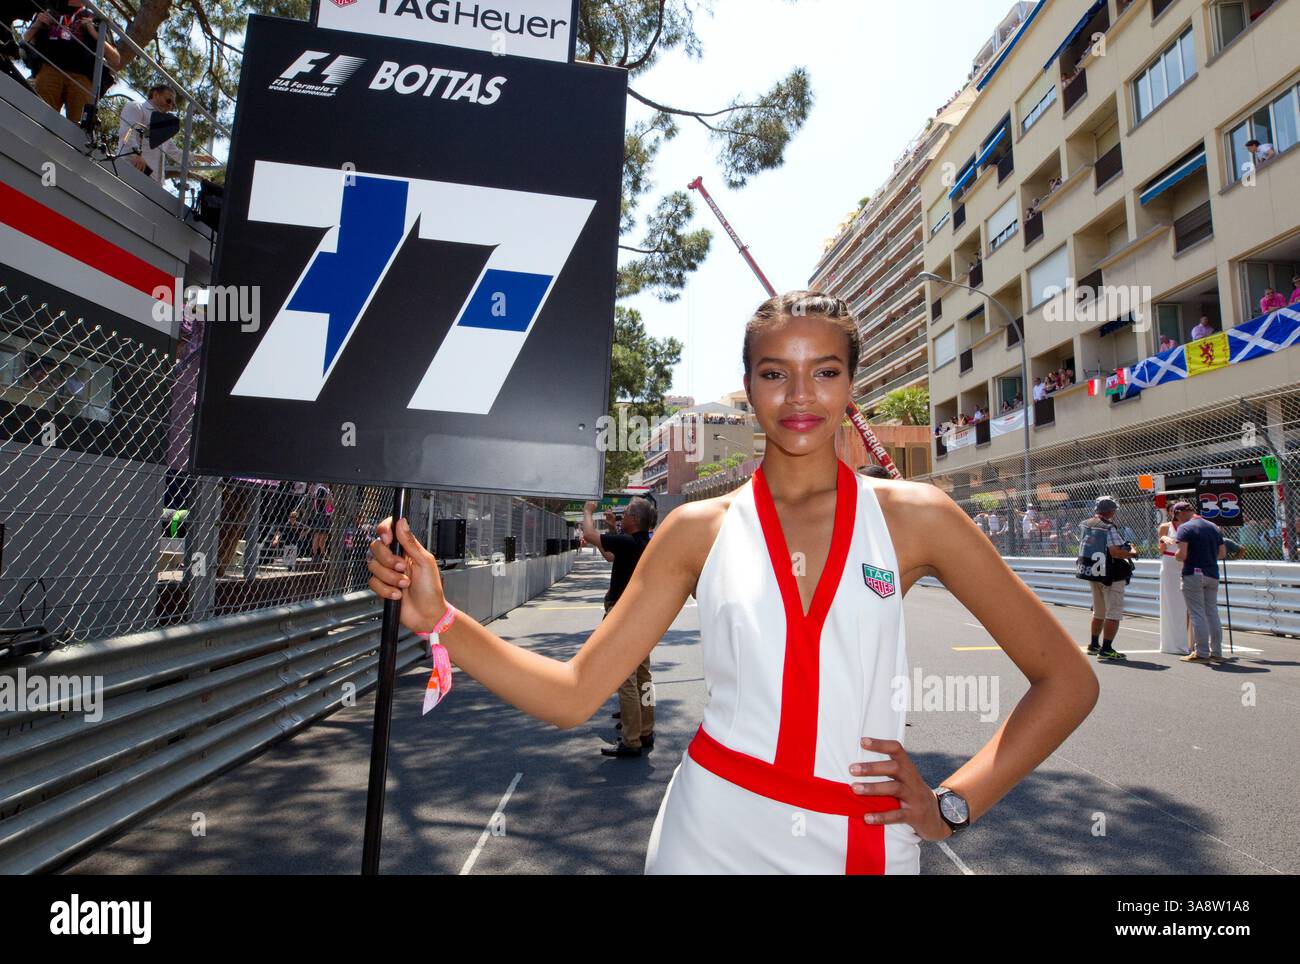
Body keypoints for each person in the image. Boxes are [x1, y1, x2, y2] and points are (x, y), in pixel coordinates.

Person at [367, 289, 1098, 874]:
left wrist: (953, 805)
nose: (801, 394)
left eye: (826, 370)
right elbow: (573, 695)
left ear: (852, 382)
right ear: (749, 386)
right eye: (776, 372)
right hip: (712, 832)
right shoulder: (697, 529)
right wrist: (443, 623)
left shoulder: (916, 518)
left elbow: (1068, 681)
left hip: (863, 843)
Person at [580, 496, 655, 757]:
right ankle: (646, 730)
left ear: (634, 519)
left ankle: (631, 739)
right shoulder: (644, 544)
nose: (622, 518)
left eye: (626, 515)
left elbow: (589, 534)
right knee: (643, 676)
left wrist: (588, 511)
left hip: (622, 616)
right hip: (643, 617)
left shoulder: (628, 542)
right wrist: (613, 529)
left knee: (625, 678)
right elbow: (611, 556)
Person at [22, 0, 119, 123]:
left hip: (82, 78)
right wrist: (37, 24)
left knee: (78, 129)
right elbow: (25, 39)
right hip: (49, 68)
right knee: (39, 119)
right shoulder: (49, 11)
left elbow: (115, 59)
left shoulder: (96, 19)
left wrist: (94, 33)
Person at [1074, 496, 1137, 660]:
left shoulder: (1086, 524)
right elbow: (1115, 551)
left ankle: (1094, 645)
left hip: (1093, 571)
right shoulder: (1108, 527)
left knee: (1098, 611)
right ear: (1110, 511)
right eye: (1114, 509)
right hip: (1111, 574)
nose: (1115, 512)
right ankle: (1107, 649)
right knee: (1113, 613)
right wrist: (1133, 552)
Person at [1175, 504, 1228, 664]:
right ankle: (1217, 651)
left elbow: (1181, 555)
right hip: (1212, 573)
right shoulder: (1214, 527)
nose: (1176, 519)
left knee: (1197, 613)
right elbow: (1223, 553)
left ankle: (1202, 652)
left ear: (1180, 513)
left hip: (1193, 573)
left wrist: (1176, 554)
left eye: (1176, 516)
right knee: (1212, 612)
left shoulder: (1185, 528)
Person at [117, 83, 185, 183]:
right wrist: (136, 154)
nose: (170, 106)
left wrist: (197, 157)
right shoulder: (137, 107)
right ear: (156, 95)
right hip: (131, 169)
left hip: (154, 182)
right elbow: (127, 132)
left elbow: (175, 153)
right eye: (168, 100)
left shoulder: (163, 126)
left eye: (173, 105)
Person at [1156, 502, 1193, 656]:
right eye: (1172, 510)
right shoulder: (1165, 527)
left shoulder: (1191, 526)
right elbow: (1161, 549)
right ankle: (1172, 643)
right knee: (1171, 604)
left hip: (1186, 563)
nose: (1174, 513)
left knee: (1188, 605)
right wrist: (1163, 540)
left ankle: (1189, 642)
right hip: (1169, 564)